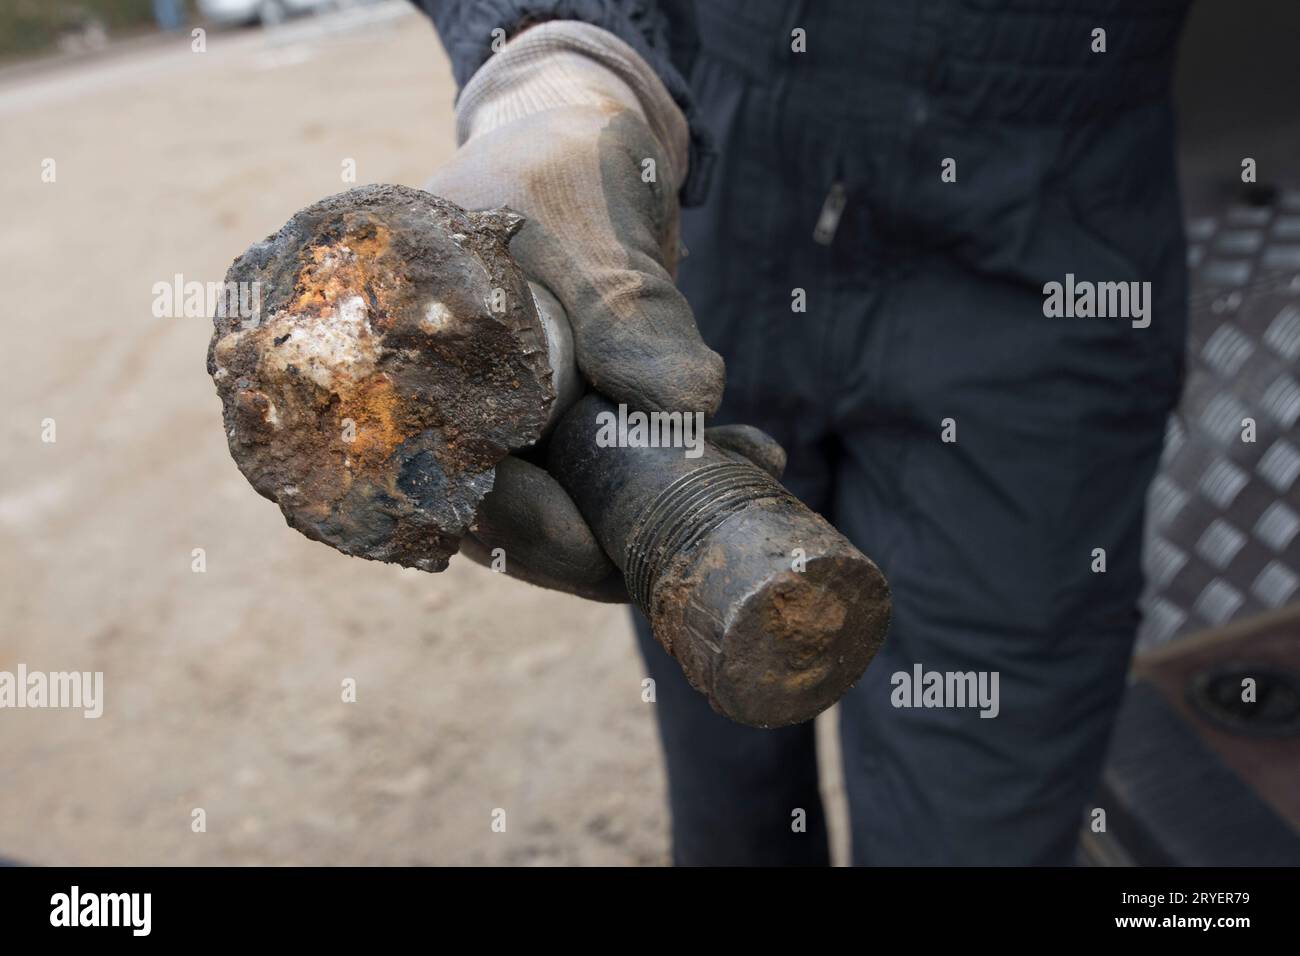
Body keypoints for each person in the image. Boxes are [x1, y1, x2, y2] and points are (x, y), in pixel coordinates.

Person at [413, 0, 1192, 865]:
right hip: (714, 183)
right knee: (726, 748)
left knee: (983, 803)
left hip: (1047, 224)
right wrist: (551, 56)